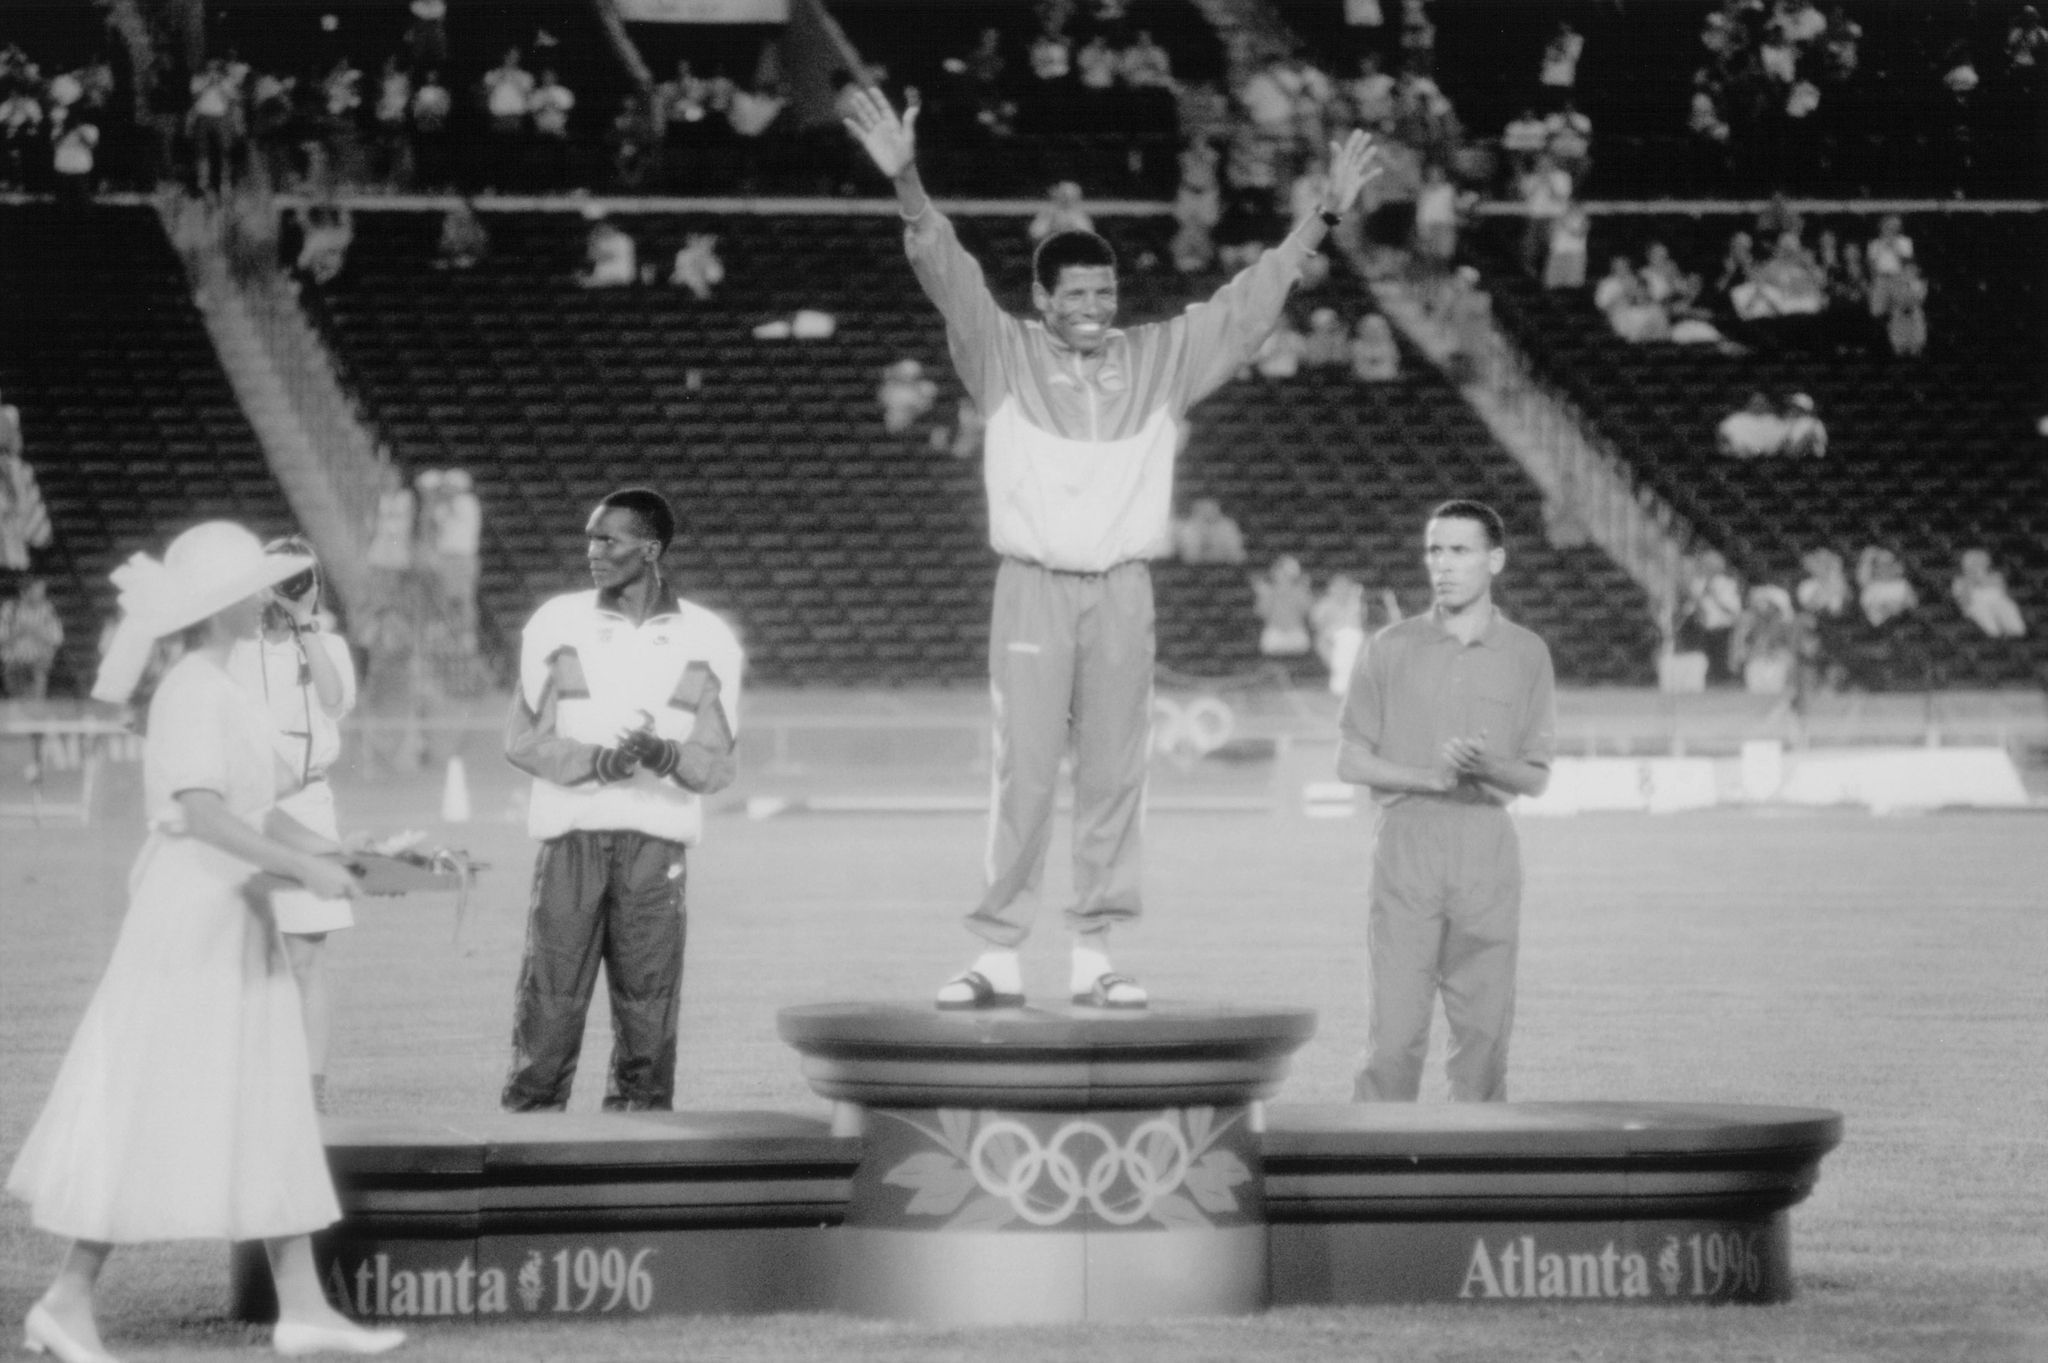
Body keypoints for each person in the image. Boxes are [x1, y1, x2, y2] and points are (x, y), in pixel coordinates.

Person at [843, 86, 1381, 1010]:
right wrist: (909, 186)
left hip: (1124, 590)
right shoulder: (1000, 353)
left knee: (1114, 771)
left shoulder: (1161, 359)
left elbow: (1251, 302)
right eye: (1076, 293)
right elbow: (948, 272)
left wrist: (1322, 214)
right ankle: (999, 952)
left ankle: (1094, 952)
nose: (1094, 306)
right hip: (1033, 590)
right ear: (1043, 299)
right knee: (1022, 770)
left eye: (1106, 291)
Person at [7, 523, 404, 1361]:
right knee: (156, 1092)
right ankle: (67, 1298)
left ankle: (302, 1306)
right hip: (194, 915)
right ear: (227, 602)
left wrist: (358, 853)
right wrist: (304, 863)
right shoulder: (192, 684)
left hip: (236, 911)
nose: (269, 596)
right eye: (256, 586)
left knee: (266, 1097)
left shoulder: (221, 683)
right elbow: (201, 811)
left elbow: (259, 804)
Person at [501, 489, 741, 1112]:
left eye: (608, 540)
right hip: (571, 837)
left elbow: (718, 763)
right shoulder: (554, 623)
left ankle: (636, 1160)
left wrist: (663, 755)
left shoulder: (709, 637)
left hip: (655, 841)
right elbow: (523, 739)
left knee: (648, 1015)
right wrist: (598, 762)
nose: (593, 552)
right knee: (549, 1010)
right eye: (590, 538)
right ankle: (528, 1153)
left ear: (651, 548)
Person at [1338, 501, 1555, 1103]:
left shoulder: (1527, 654)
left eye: (1460, 550)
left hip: (1487, 853)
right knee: (1393, 1042)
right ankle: (1373, 1176)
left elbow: (1536, 778)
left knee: (1484, 1041)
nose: (1444, 564)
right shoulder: (1388, 647)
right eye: (1435, 550)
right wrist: (1430, 778)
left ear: (1496, 560)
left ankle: (1478, 1185)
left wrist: (1488, 767)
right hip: (1407, 850)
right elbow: (1350, 758)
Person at [226, 537, 358, 1113]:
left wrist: (307, 627)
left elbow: (333, 702)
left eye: (299, 577)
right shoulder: (236, 649)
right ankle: (248, 1079)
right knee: (246, 954)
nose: (289, 588)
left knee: (306, 956)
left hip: (306, 806)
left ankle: (312, 1088)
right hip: (245, 811)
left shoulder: (326, 645)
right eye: (280, 577)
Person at [0, 578, 62, 698]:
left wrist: (35, 631)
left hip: (38, 663)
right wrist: (20, 632)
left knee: (35, 703)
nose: (41, 594)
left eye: (42, 591)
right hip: (13, 663)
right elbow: (1, 639)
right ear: (24, 592)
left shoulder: (48, 611)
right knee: (14, 703)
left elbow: (56, 639)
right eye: (37, 591)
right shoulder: (10, 610)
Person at [1951, 549, 2026, 638]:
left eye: (1980, 563)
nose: (1977, 566)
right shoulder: (1960, 581)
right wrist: (1970, 582)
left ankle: (2015, 631)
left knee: (2008, 606)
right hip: (1975, 605)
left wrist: (1982, 579)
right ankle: (1994, 634)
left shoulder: (1996, 577)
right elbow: (1963, 601)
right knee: (1983, 608)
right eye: (1974, 564)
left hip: (1998, 602)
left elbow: (2002, 593)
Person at [1253, 555, 1315, 656]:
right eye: (1280, 572)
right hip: (1275, 632)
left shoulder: (1300, 590)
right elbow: (1261, 614)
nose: (1283, 576)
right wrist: (1265, 596)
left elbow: (1308, 612)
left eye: (1287, 573)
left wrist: (1305, 591)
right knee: (1268, 644)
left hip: (1296, 632)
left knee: (1303, 644)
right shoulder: (1267, 591)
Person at [1172, 497, 1247, 565]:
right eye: (1203, 508)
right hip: (1195, 571)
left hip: (1225, 570)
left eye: (1212, 507)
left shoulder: (1228, 526)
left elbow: (1238, 555)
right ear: (1196, 510)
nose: (1208, 511)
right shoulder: (1188, 527)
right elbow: (1189, 557)